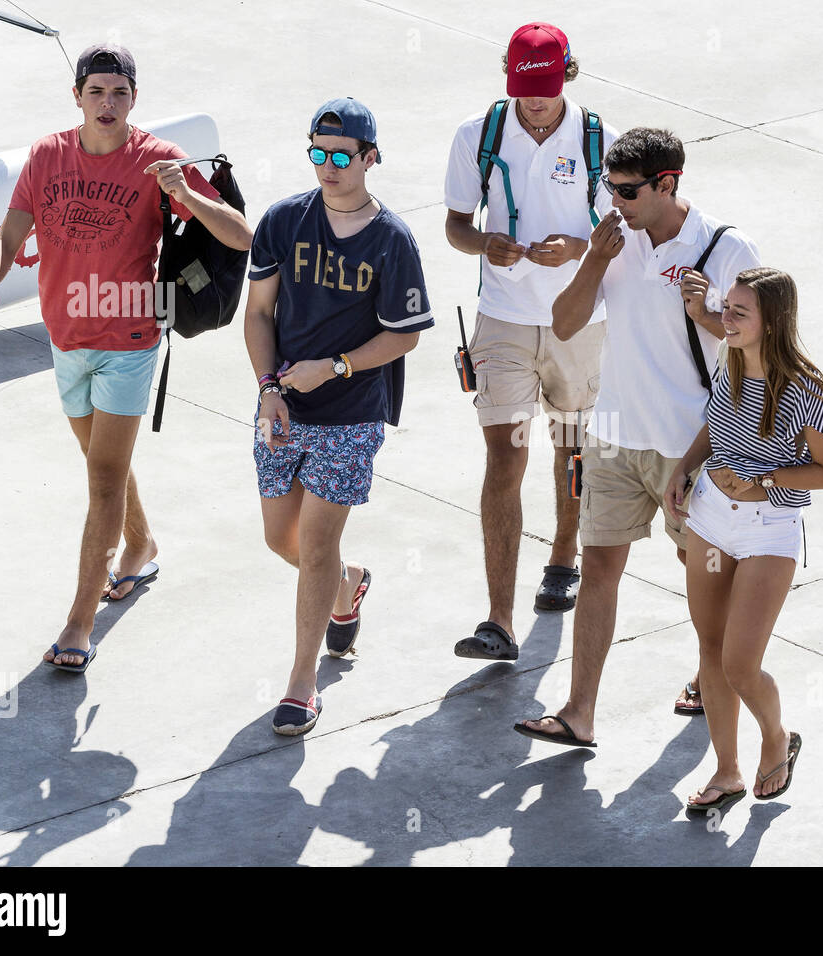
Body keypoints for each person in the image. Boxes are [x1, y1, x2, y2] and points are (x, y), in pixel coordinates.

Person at [0, 43, 252, 673]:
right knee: (105, 464)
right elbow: (9, 232)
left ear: (134, 99)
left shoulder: (158, 161)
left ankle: (78, 622)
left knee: (100, 481)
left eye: (119, 92)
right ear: (77, 97)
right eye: (96, 91)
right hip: (64, 338)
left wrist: (189, 196)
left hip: (129, 340)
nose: (108, 103)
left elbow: (240, 235)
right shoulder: (46, 156)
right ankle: (141, 545)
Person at [514, 128, 761, 747]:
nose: (615, 202)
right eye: (609, 188)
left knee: (702, 574)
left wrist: (707, 315)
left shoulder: (726, 248)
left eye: (628, 191)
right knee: (598, 566)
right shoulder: (613, 240)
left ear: (668, 184)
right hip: (615, 436)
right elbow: (566, 325)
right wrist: (595, 257)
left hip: (696, 443)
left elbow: (763, 348)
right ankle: (580, 712)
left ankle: (714, 681)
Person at [245, 97, 433, 735]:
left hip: (351, 413)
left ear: (370, 158)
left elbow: (403, 335)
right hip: (283, 405)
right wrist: (270, 388)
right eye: (317, 154)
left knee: (317, 542)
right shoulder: (282, 221)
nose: (327, 167)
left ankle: (302, 683)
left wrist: (336, 367)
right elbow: (259, 314)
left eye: (340, 156)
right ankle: (348, 585)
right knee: (282, 539)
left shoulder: (393, 240)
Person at [444, 22, 618, 661]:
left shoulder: (600, 139)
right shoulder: (479, 135)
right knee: (504, 458)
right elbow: (457, 225)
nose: (535, 100)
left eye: (545, 87)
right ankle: (498, 619)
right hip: (504, 320)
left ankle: (564, 556)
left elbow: (621, 232)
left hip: (580, 319)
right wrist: (483, 243)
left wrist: (578, 249)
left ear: (568, 76)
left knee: (572, 448)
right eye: (524, 87)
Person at [663, 268, 823, 810]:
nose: (726, 319)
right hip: (711, 519)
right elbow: (714, 425)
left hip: (768, 530)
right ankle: (726, 772)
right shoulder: (730, 360)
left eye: (740, 312)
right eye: (728, 307)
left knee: (741, 662)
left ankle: (776, 737)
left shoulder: (807, 391)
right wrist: (686, 466)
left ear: (772, 322)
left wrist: (765, 478)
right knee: (711, 653)